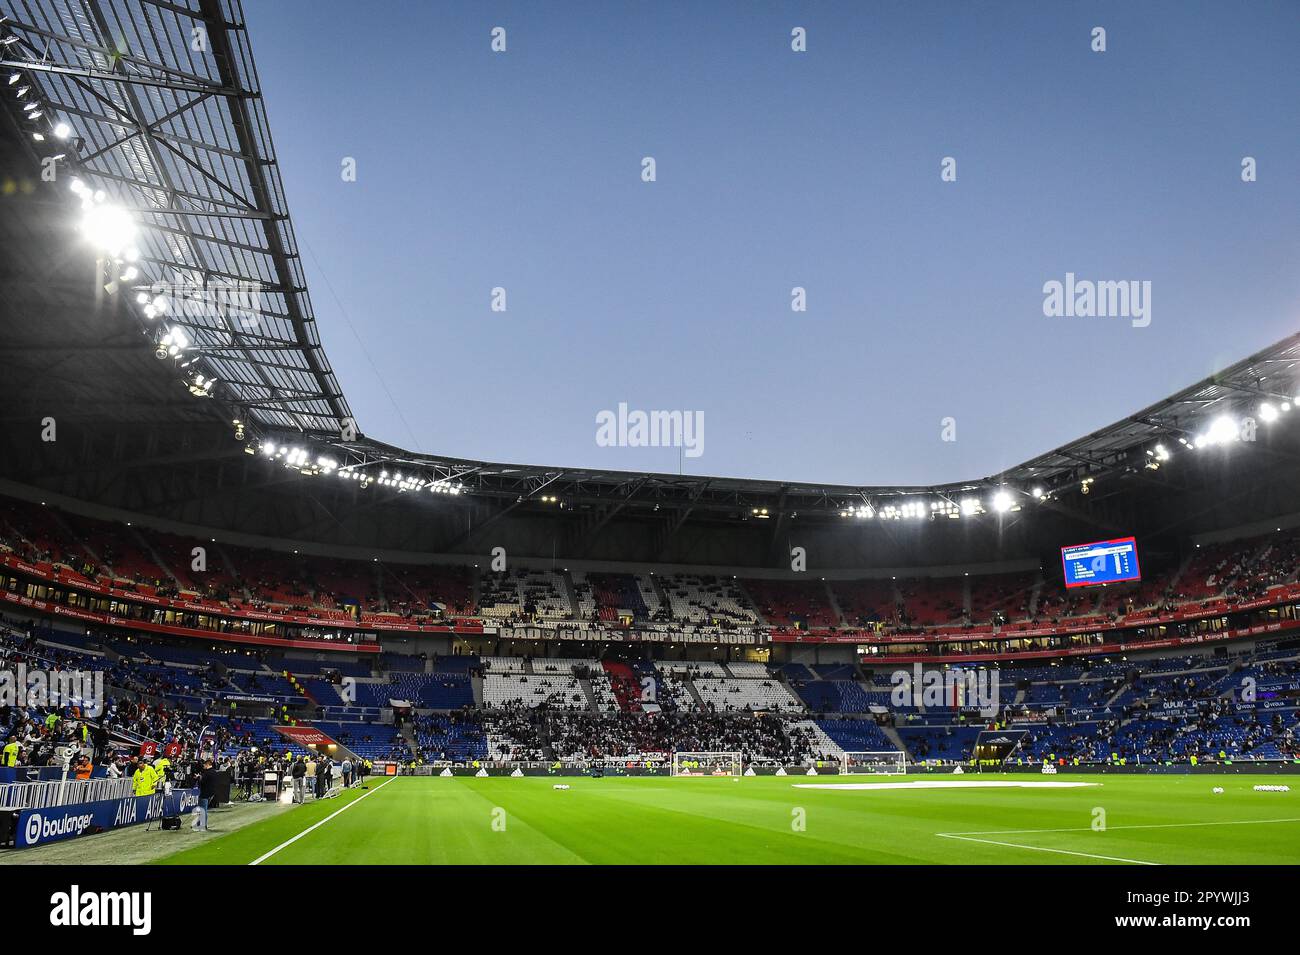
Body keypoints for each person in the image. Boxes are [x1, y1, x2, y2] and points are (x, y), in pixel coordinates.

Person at [192, 759, 218, 832]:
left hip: (205, 793)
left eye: (204, 765)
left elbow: (203, 781)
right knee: (204, 809)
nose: (203, 766)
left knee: (202, 810)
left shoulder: (207, 773)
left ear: (207, 764)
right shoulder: (214, 772)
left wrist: (198, 778)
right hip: (211, 792)